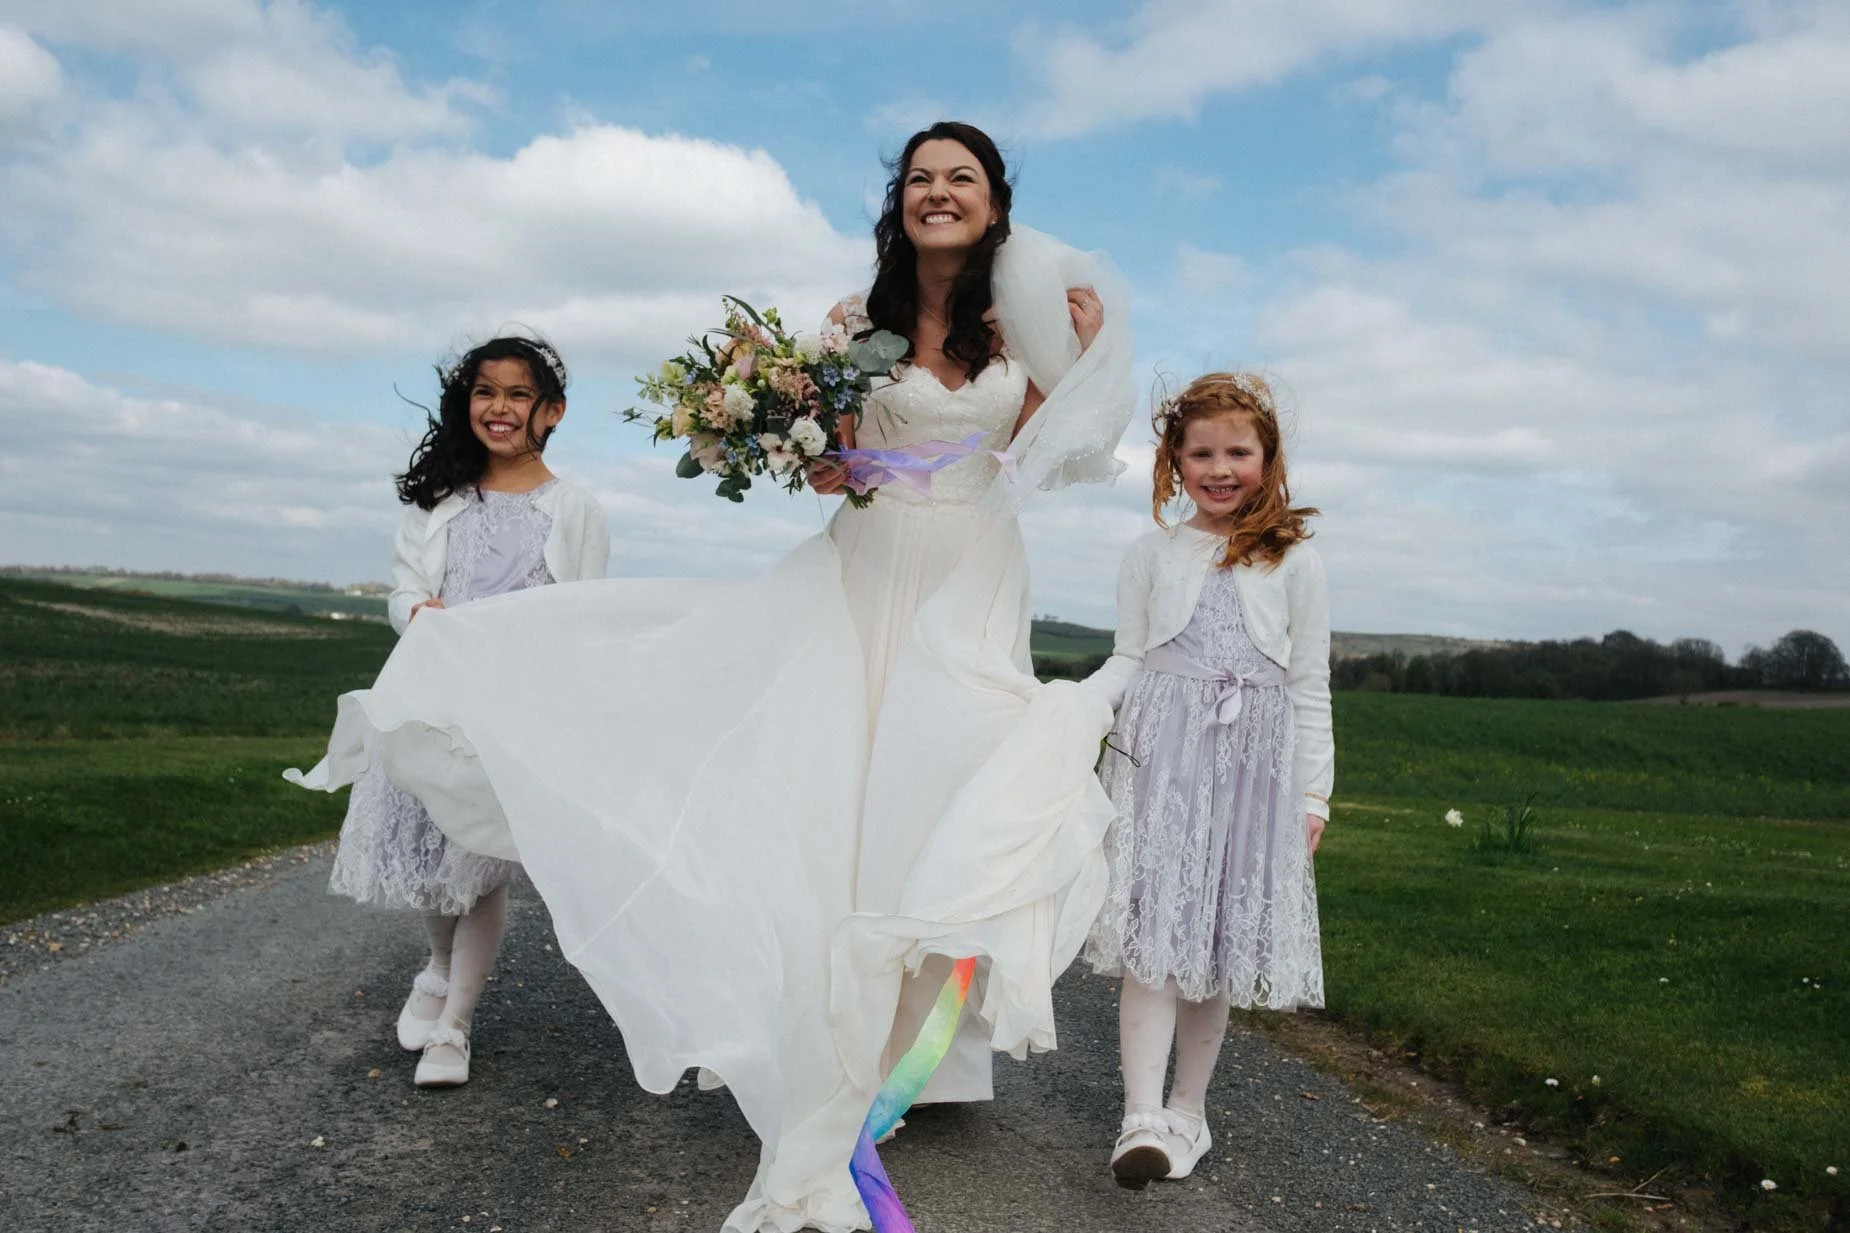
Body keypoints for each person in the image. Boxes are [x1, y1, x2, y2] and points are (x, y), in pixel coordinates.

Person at [290, 121, 1136, 1233]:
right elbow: (835, 466)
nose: (938, 193)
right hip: (864, 568)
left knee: (946, 794)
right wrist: (805, 446)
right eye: (920, 177)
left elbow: (1047, 456)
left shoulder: (1012, 323)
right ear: (900, 201)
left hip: (973, 574)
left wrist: (1077, 356)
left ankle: (904, 1054)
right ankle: (818, 1041)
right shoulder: (852, 325)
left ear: (992, 204)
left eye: (960, 179)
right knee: (837, 799)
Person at [306, 335, 609, 1088]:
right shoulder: (442, 500)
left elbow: (586, 612)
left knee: (479, 863)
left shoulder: (572, 507)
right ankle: (438, 966)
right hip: (433, 694)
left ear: (554, 411)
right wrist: (420, 611)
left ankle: (456, 1023)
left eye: (518, 394)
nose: (499, 408)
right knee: (432, 854)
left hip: (512, 707)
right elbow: (403, 585)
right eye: (485, 392)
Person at [1081, 372, 1333, 1187]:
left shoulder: (1294, 559)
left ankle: (1189, 1110)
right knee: (1155, 938)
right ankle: (1140, 1117)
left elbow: (1309, 685)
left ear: (1268, 458)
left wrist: (1312, 794)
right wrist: (1071, 715)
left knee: (1213, 943)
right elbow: (1128, 657)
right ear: (1174, 462)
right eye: (1202, 453)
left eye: (1238, 452)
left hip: (1253, 770)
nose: (1220, 468)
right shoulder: (1151, 553)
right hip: (1163, 762)